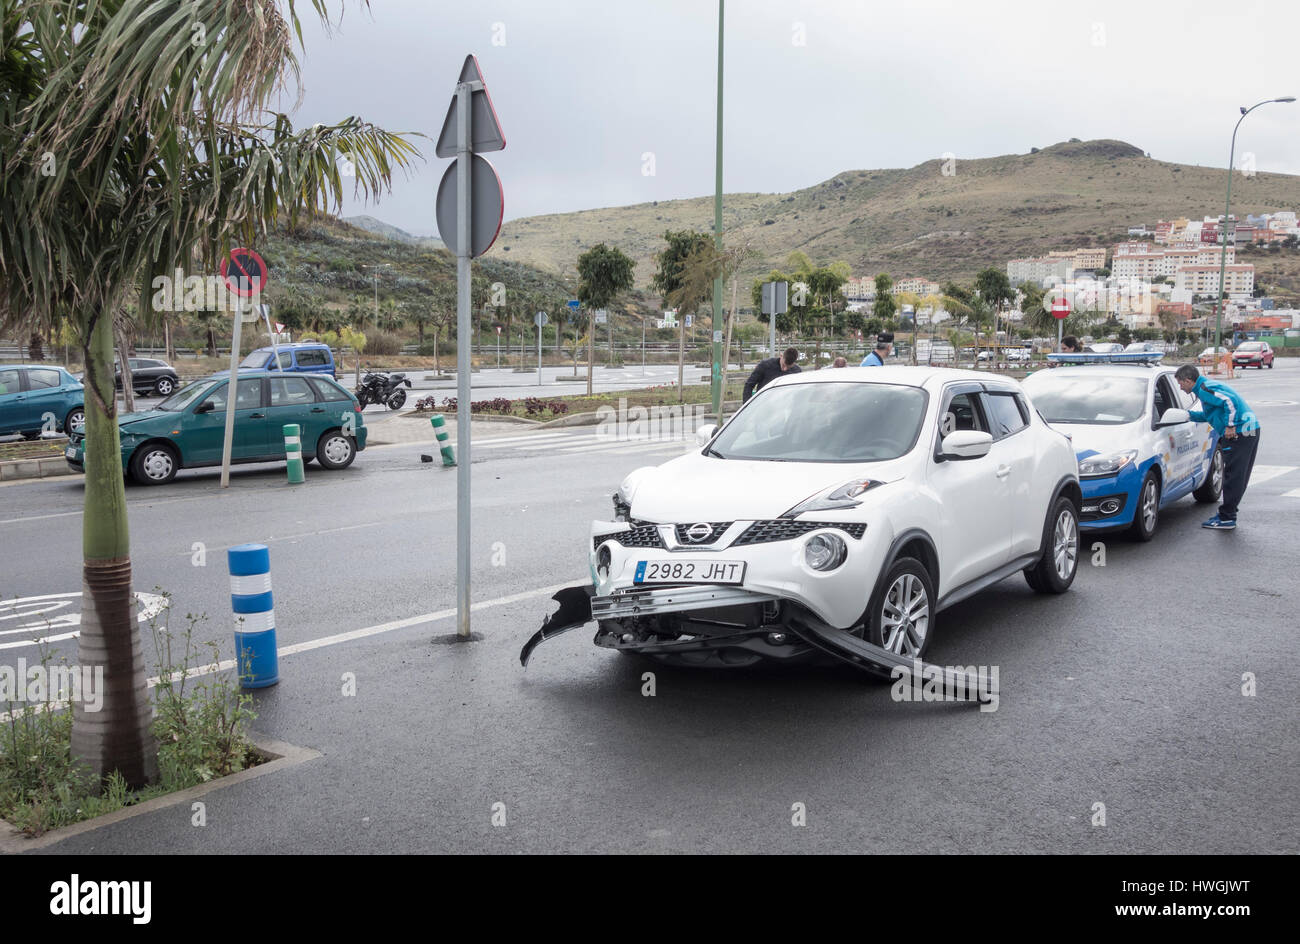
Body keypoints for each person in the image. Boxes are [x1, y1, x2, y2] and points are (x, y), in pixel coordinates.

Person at [1174, 364, 1261, 530]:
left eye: (1180, 383)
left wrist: (1230, 426)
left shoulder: (1205, 388)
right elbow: (1211, 415)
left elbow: (1230, 401)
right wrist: (1188, 415)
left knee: (1233, 476)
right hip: (1249, 429)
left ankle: (1227, 517)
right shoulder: (1205, 388)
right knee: (1238, 476)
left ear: (1188, 380)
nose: (1180, 387)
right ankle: (1228, 513)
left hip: (1240, 432)